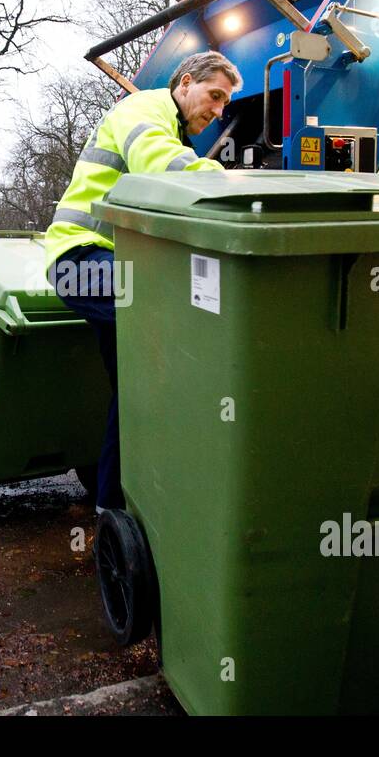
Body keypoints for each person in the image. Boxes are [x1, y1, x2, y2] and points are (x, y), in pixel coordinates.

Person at [42, 50, 242, 511]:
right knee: (171, 322)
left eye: (225, 104)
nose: (218, 111)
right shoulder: (145, 110)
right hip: (81, 260)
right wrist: (234, 181)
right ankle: (118, 505)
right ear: (185, 82)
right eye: (214, 96)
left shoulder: (171, 128)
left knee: (134, 389)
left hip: (107, 265)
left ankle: (114, 503)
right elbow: (160, 166)